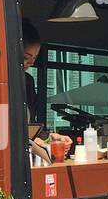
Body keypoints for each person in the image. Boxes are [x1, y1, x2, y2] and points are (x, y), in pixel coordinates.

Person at [22, 20, 72, 163]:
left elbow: (30, 127)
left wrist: (49, 137)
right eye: (26, 57)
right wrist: (35, 141)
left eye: (34, 58)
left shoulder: (28, 81)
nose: (31, 63)